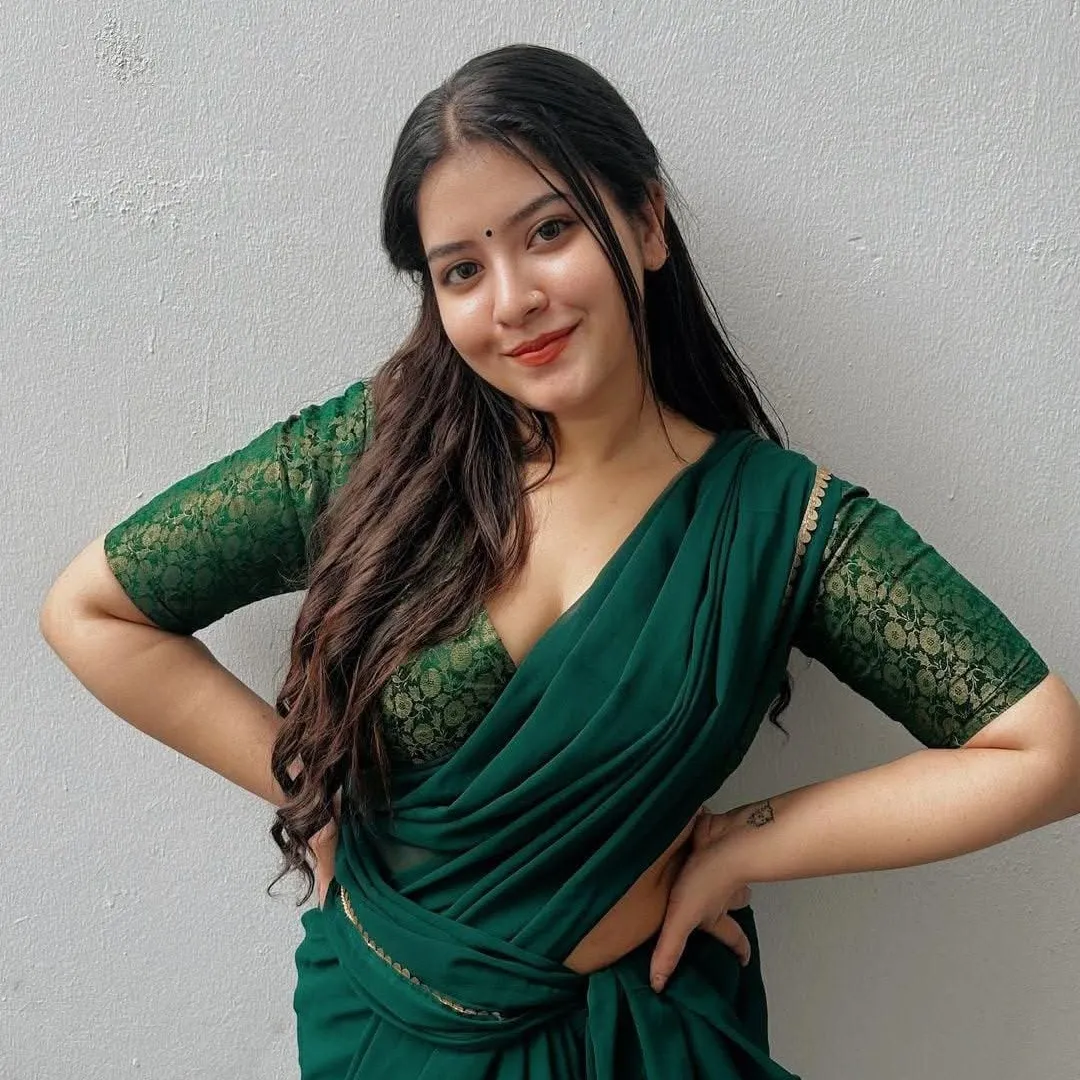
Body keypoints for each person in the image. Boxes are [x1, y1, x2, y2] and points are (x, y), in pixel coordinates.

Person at [39, 42, 1080, 1080]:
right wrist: (312, 797)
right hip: (383, 1025)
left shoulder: (782, 523)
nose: (513, 300)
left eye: (549, 231)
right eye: (462, 269)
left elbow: (1044, 752)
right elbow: (94, 613)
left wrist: (753, 841)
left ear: (647, 224)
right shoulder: (374, 455)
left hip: (635, 1043)